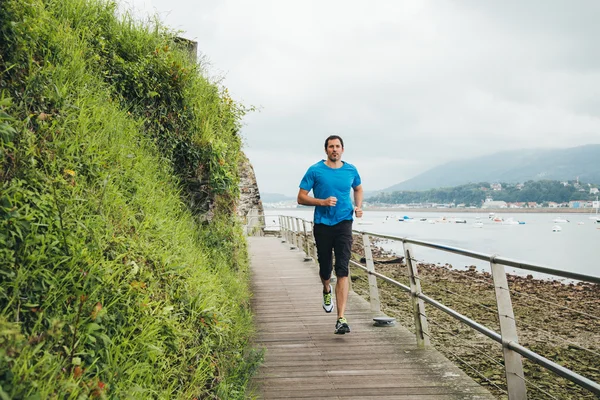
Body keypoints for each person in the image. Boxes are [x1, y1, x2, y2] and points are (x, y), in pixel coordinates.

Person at [297, 135, 363, 334]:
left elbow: (358, 188)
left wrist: (358, 207)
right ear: (326, 150)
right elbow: (301, 197)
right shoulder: (315, 170)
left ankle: (341, 318)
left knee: (342, 269)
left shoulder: (351, 170)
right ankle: (326, 290)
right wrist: (322, 202)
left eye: (337, 146)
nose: (334, 149)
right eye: (331, 147)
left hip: (344, 223)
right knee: (325, 269)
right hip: (323, 224)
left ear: (343, 149)